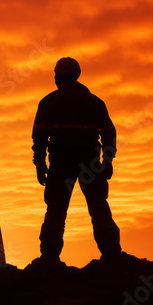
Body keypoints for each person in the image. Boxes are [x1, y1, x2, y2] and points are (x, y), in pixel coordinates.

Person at [31, 57, 122, 264]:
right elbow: (109, 133)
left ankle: (49, 259)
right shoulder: (95, 102)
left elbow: (39, 138)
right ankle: (112, 256)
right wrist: (107, 162)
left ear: (57, 76)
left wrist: (39, 164)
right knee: (99, 207)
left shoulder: (49, 102)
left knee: (56, 210)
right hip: (89, 162)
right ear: (78, 74)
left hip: (61, 164)